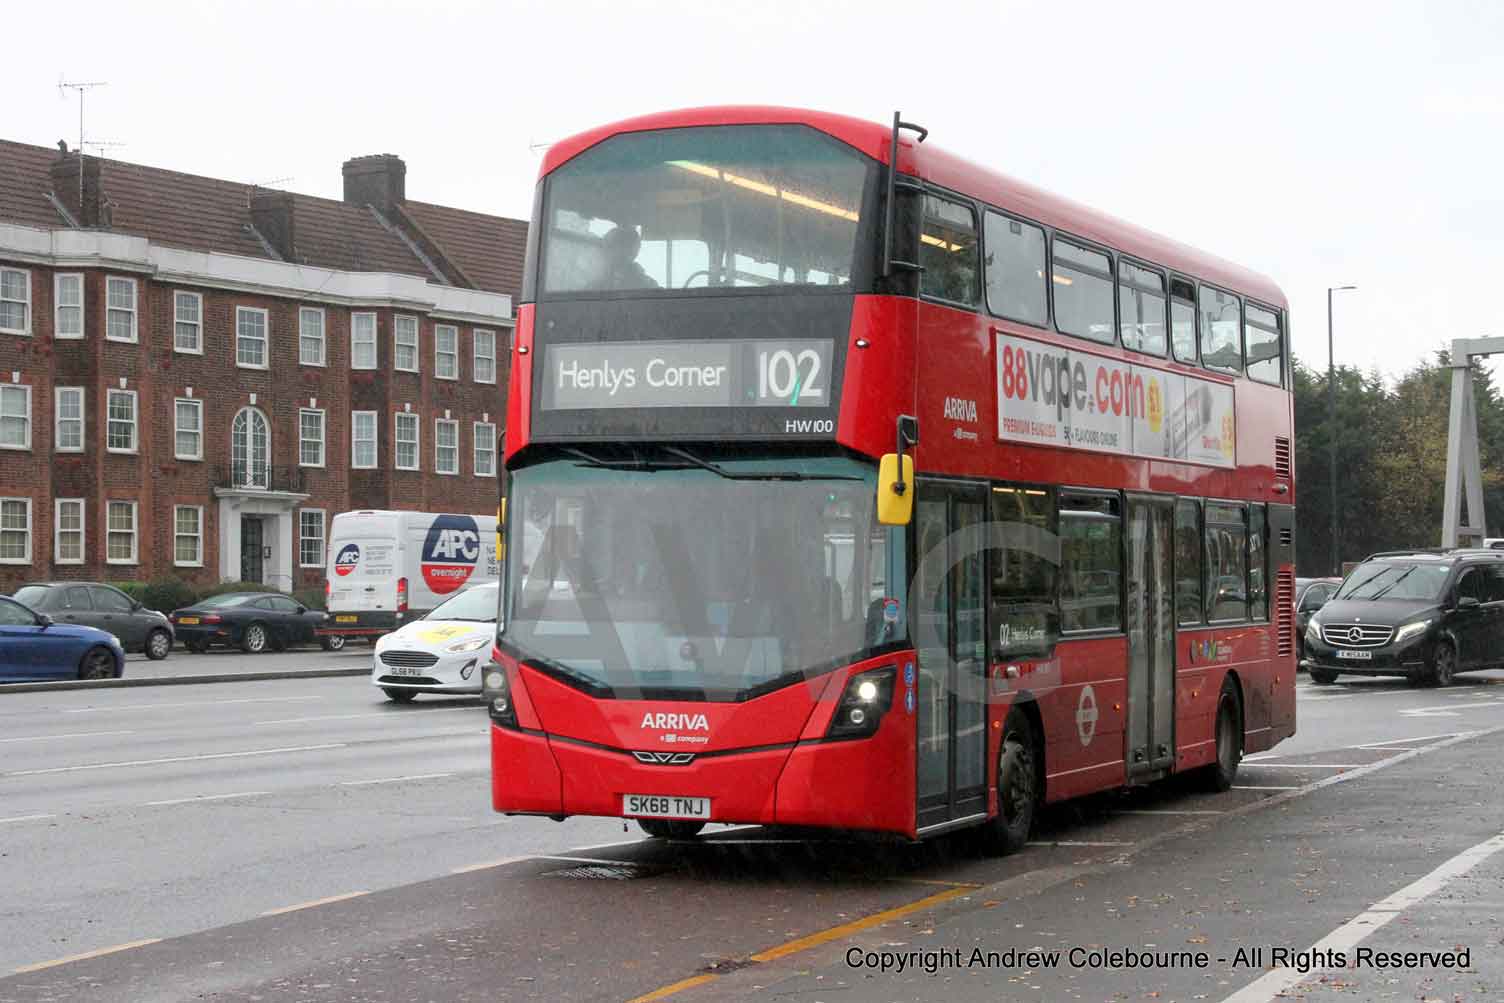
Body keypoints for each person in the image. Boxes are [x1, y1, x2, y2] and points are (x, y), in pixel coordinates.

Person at [596, 225, 659, 290]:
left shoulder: (647, 285)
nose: (604, 252)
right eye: (606, 247)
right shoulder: (596, 285)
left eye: (610, 247)